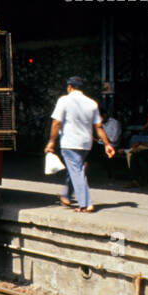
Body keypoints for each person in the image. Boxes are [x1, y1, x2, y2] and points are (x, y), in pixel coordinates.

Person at [46, 76, 115, 213]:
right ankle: (67, 195)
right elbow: (99, 127)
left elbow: (56, 123)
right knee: (76, 168)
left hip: (69, 142)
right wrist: (107, 144)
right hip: (86, 143)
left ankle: (85, 203)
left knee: (76, 170)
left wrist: (51, 141)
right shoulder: (92, 103)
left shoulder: (64, 100)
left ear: (69, 87)